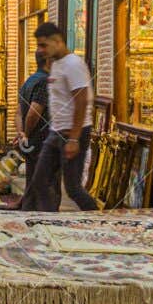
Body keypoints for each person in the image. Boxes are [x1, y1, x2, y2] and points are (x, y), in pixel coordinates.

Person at [31, 20, 96, 211]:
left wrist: (74, 139)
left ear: (58, 41)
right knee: (40, 180)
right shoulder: (56, 64)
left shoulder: (73, 64)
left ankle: (98, 219)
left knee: (73, 188)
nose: (40, 50)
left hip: (73, 132)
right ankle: (49, 220)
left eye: (43, 45)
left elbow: (82, 100)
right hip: (56, 131)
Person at [14, 46, 53, 210]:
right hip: (42, 142)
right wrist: (26, 134)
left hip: (31, 143)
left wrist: (21, 133)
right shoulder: (45, 82)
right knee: (46, 187)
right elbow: (33, 113)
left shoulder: (29, 81)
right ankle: (45, 221)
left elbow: (17, 113)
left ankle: (28, 215)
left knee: (32, 182)